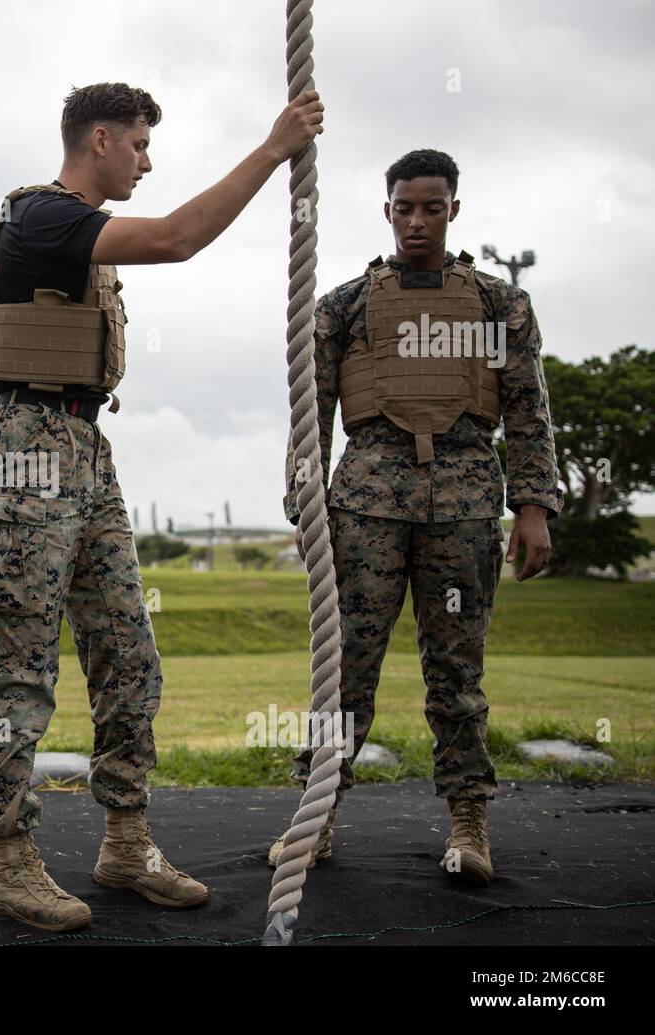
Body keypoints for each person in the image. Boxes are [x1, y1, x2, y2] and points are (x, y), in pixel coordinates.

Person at [0, 81, 324, 930]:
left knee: (130, 652)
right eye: (137, 145)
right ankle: (11, 860)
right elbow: (179, 237)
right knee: (22, 665)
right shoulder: (43, 218)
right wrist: (274, 147)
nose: (147, 161)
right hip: (30, 448)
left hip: (85, 446)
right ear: (98, 139)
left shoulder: (78, 233)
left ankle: (125, 842)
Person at [268, 148, 561, 886]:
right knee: (345, 671)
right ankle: (319, 809)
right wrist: (303, 505)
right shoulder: (344, 305)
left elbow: (528, 406)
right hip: (366, 500)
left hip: (464, 499)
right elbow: (311, 416)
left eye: (432, 206)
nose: (418, 220)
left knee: (457, 672)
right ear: (387, 209)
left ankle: (468, 819)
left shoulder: (500, 303)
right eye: (405, 206)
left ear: (453, 209)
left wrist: (533, 505)